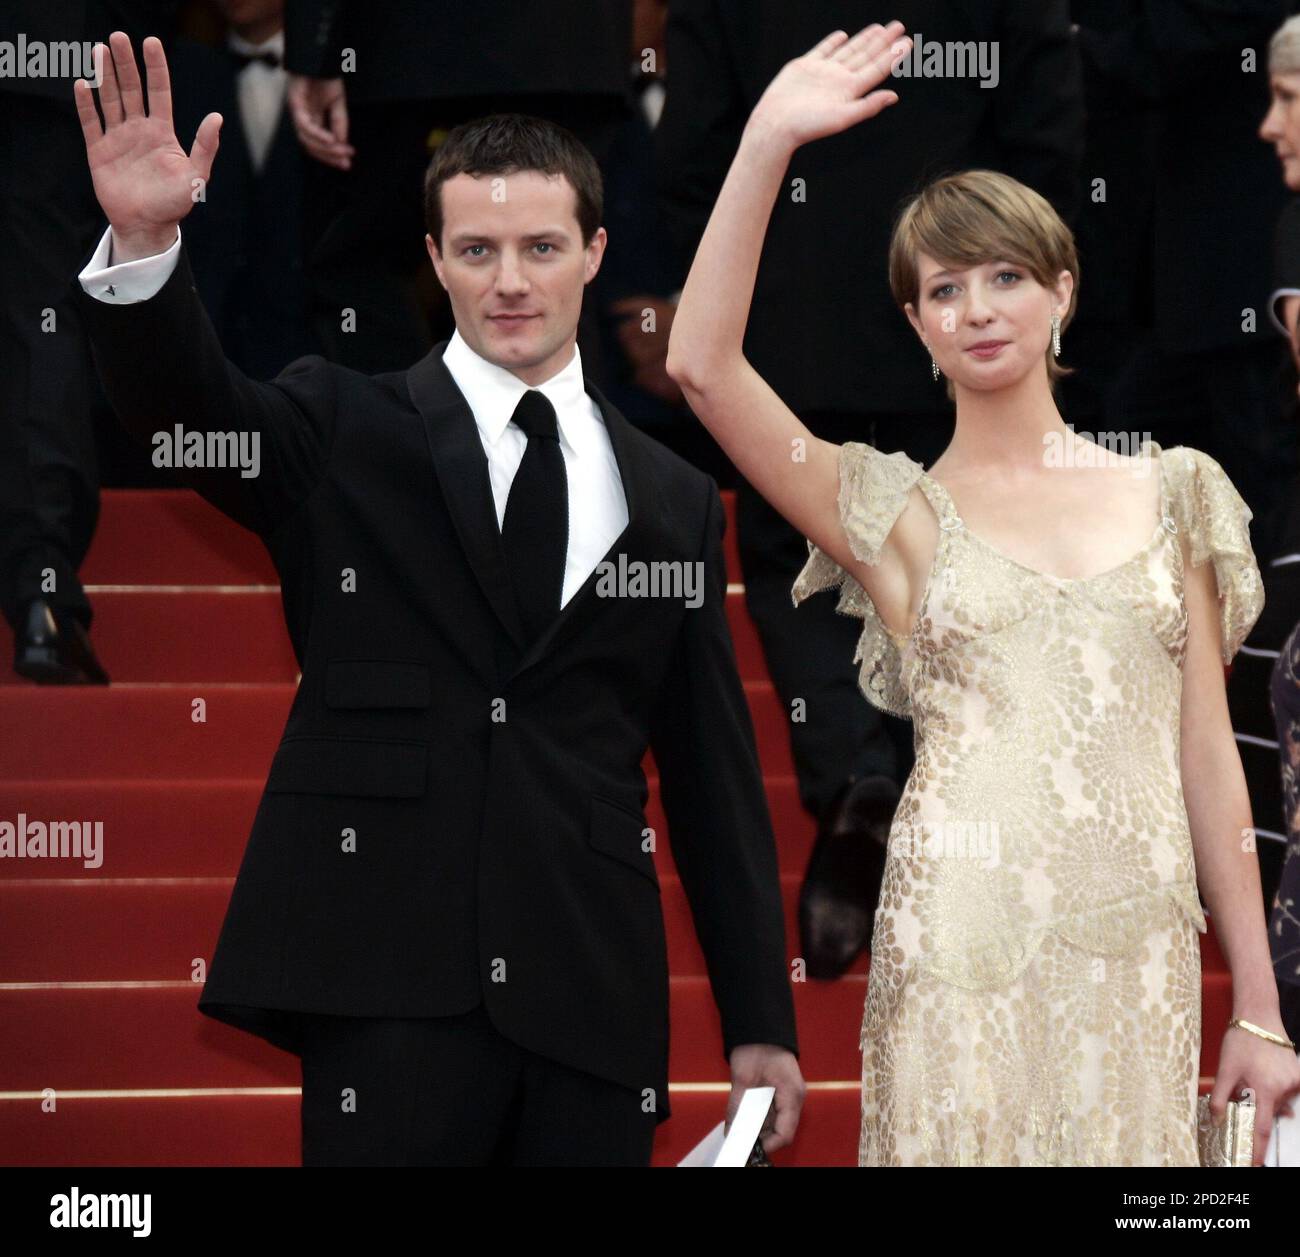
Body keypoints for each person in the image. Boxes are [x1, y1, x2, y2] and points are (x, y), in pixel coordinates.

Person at [71, 32, 802, 1166]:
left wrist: (759, 1022)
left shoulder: (675, 496)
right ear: (435, 255)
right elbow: (184, 413)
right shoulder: (340, 428)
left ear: (596, 251)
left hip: (591, 991)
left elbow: (709, 774)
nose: (510, 279)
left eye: (541, 246)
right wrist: (147, 241)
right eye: (478, 248)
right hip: (386, 977)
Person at [666, 20, 1300, 1165]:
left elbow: (1210, 755)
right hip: (954, 949)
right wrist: (764, 140)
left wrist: (1255, 1001)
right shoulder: (893, 513)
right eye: (945, 288)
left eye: (1006, 276)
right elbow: (703, 369)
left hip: (1134, 959)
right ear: (915, 324)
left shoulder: (1174, 493)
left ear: (1061, 293)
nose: (978, 307)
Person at [656, 0, 1085, 978]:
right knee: (960, 549)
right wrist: (1003, 284)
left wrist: (731, 276)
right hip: (958, 310)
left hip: (790, 327)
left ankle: (857, 775)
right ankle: (950, 797)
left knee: (799, 554)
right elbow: (1045, 142)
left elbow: (692, 162)